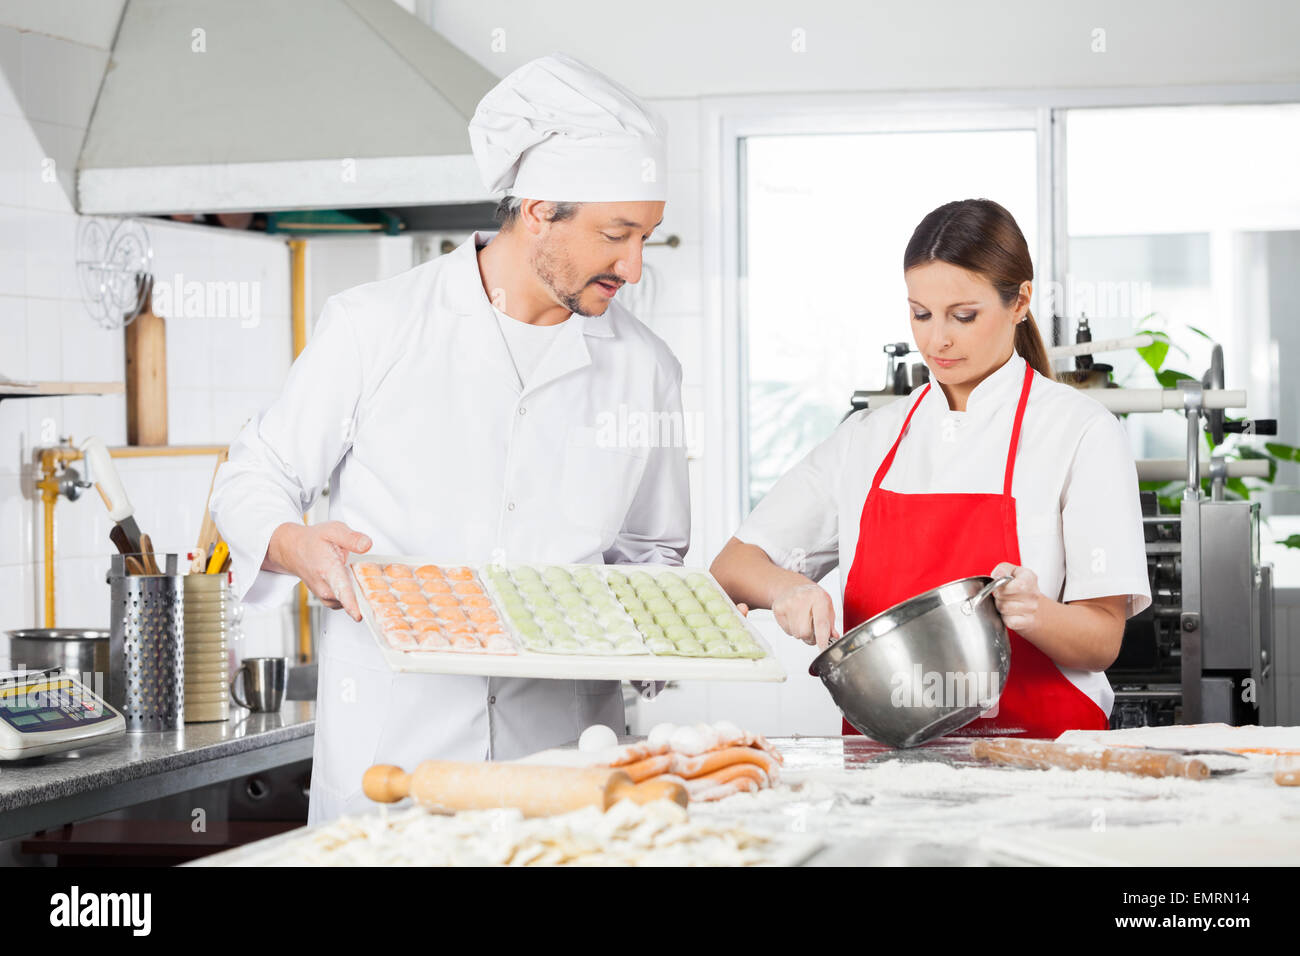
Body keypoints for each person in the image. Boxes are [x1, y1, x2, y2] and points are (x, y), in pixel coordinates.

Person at [210, 53, 689, 823]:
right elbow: (252, 473)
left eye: (647, 237)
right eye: (615, 235)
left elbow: (653, 554)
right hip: (393, 755)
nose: (632, 266)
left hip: (563, 766)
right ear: (539, 211)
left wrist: (660, 633)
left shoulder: (646, 370)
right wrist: (293, 543)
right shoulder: (375, 326)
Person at [711, 199, 1151, 738]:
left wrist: (1034, 610)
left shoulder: (1080, 431)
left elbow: (1103, 638)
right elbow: (733, 563)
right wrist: (787, 590)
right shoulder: (869, 439)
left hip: (1042, 763)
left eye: (963, 316)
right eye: (921, 314)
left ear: (1020, 302)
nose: (936, 340)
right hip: (889, 768)